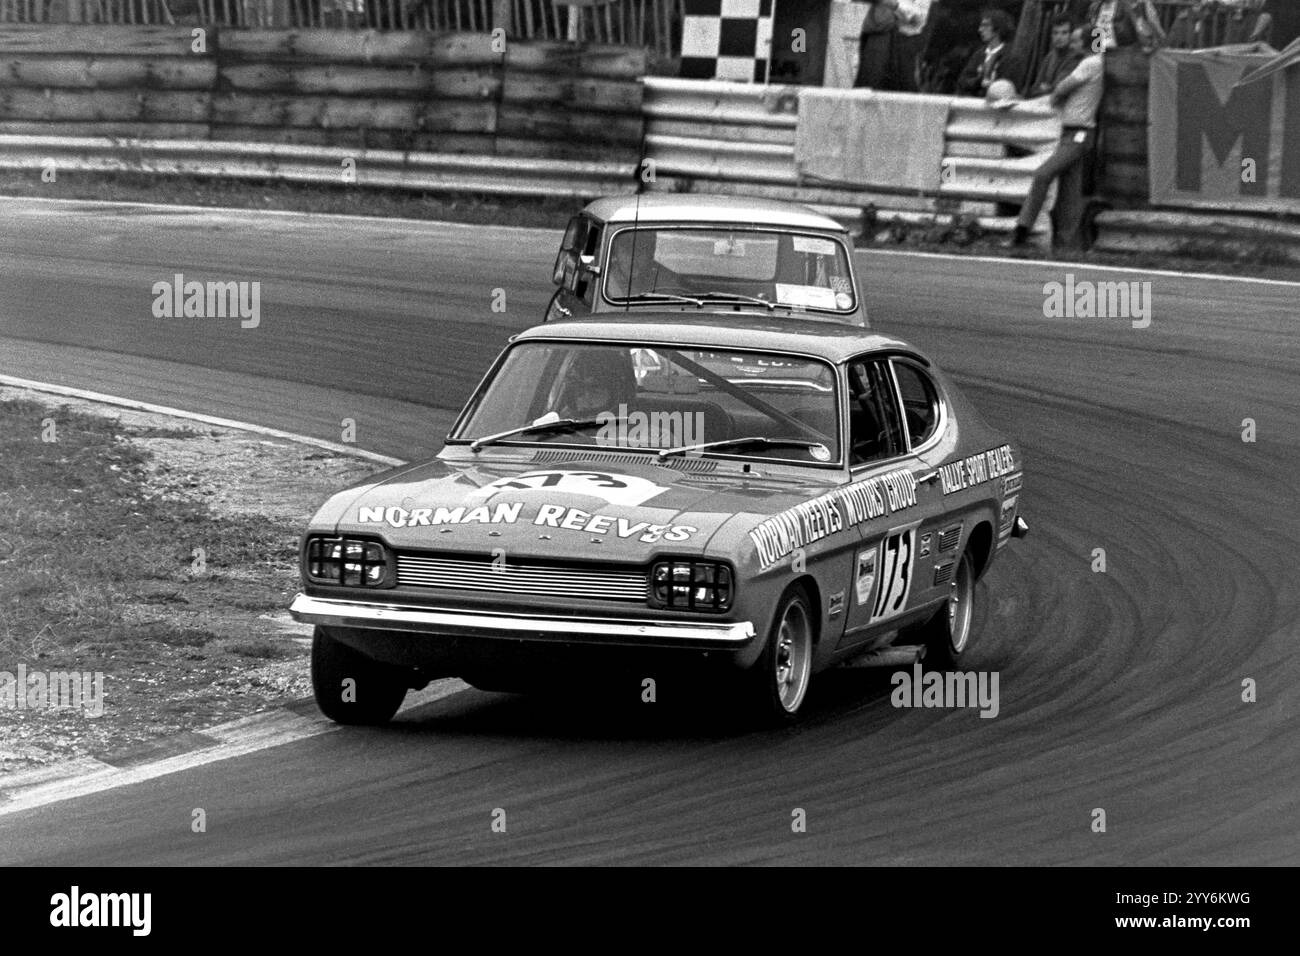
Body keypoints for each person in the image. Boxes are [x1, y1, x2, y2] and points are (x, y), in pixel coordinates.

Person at [1005, 26, 1102, 248]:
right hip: (1076, 133)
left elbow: (1061, 89)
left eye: (1076, 40)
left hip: (1077, 133)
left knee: (1043, 174)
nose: (1072, 44)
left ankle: (1022, 228)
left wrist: (1056, 94)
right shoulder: (1095, 63)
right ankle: (1068, 243)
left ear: (1085, 43)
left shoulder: (1090, 63)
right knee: (1070, 192)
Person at [957, 9, 1021, 96]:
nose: (980, 29)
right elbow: (962, 81)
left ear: (998, 28)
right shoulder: (978, 55)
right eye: (981, 26)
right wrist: (978, 82)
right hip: (972, 104)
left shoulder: (1010, 57)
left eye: (985, 25)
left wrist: (993, 85)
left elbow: (1010, 86)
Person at [1030, 14, 1086, 97]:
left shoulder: (1076, 57)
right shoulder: (1050, 56)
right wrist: (1043, 89)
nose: (1059, 37)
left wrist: (1047, 88)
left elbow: (1058, 90)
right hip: (1042, 101)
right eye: (1055, 33)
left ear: (1072, 35)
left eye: (1064, 33)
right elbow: (1035, 88)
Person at [1087, 0, 1165, 52]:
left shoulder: (1128, 5)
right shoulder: (1095, 7)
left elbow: (1141, 29)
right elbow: (1092, 31)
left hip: (1121, 53)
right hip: (1098, 52)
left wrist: (1149, 42)